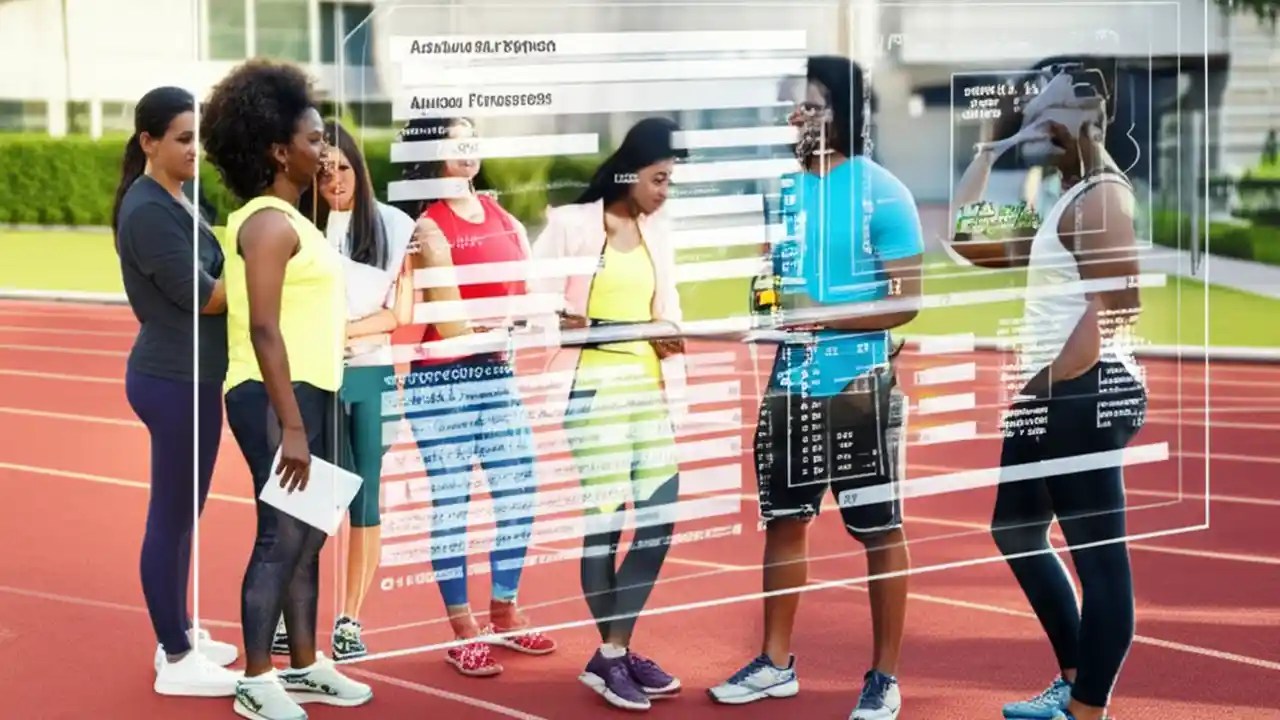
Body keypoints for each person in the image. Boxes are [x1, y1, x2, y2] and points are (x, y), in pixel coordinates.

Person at [709, 55, 923, 720]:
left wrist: (820, 316)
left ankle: (884, 679)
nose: (795, 114)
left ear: (843, 114)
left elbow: (906, 300)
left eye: (808, 103)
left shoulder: (884, 190)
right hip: (790, 382)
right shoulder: (781, 190)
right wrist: (771, 308)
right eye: (792, 104)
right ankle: (775, 664)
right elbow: (780, 287)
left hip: (859, 384)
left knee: (880, 531)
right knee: (784, 524)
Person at [946, 68, 1147, 720]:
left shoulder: (1104, 199)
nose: (1042, 130)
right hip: (1055, 395)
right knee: (1015, 528)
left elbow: (1116, 306)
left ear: (1090, 119)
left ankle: (1088, 709)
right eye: (1038, 119)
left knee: (1100, 564)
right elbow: (967, 237)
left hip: (1082, 392)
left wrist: (1043, 387)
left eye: (1052, 117)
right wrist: (987, 144)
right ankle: (1072, 680)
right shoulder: (1062, 198)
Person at [201, 58, 373, 720]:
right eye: (313, 139)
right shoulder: (268, 223)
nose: (324, 150)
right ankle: (255, 677)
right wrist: (293, 427)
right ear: (278, 150)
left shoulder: (293, 220)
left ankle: (304, 665)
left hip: (313, 391)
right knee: (282, 533)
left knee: (309, 533)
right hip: (274, 396)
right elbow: (266, 329)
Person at [529, 117, 687, 712]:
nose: (665, 190)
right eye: (659, 178)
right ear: (630, 170)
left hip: (650, 389)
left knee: (660, 520)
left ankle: (612, 654)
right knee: (606, 523)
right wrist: (590, 328)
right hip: (592, 392)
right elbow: (536, 298)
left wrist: (670, 334)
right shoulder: (572, 225)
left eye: (671, 181)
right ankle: (615, 656)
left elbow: (665, 308)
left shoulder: (658, 230)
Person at [397, 115, 555, 677]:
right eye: (452, 141)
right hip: (442, 381)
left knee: (519, 490)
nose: (465, 149)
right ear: (434, 154)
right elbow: (451, 320)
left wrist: (548, 317)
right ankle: (462, 626)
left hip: (495, 373)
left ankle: (505, 610)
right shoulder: (427, 227)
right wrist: (512, 328)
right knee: (454, 503)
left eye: (471, 139)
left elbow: (534, 293)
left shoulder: (503, 217)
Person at [265, 120, 416, 662]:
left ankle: (350, 619)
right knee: (311, 496)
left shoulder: (395, 227)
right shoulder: (298, 226)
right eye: (324, 170)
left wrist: (347, 333)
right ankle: (291, 611)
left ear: (359, 167)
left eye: (344, 168)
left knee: (366, 498)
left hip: (372, 376)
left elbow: (400, 314)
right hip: (316, 378)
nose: (334, 180)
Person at [112, 85, 240, 698]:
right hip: (173, 380)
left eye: (198, 139)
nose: (196, 150)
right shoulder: (145, 210)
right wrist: (266, 274)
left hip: (188, 377)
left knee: (183, 515)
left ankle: (181, 630)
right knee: (170, 518)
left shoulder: (176, 198)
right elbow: (207, 295)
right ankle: (176, 651)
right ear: (149, 142)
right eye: (184, 139)